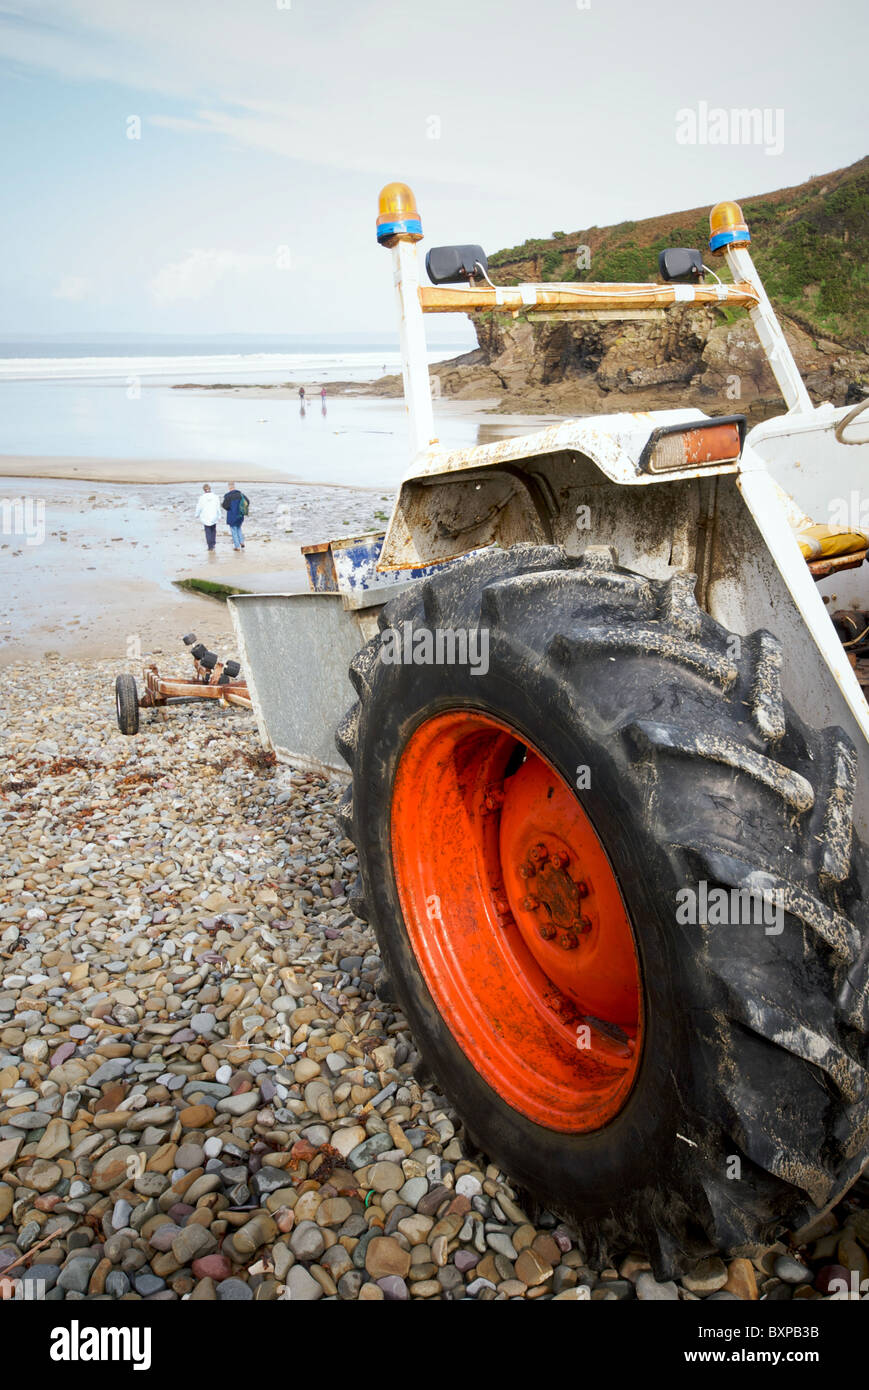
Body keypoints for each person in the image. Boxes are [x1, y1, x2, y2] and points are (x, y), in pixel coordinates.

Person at [221, 481, 250, 551]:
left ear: (229, 487)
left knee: (234, 530)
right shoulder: (240, 494)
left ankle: (237, 546)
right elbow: (248, 502)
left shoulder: (228, 496)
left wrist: (228, 508)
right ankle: (242, 542)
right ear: (234, 487)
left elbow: (225, 506)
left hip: (232, 515)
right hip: (240, 515)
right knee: (239, 528)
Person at [194, 482, 221, 551]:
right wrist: (219, 515)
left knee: (208, 531)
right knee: (213, 530)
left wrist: (196, 514)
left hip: (205, 516)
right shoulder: (215, 496)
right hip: (214, 515)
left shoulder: (202, 498)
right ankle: (213, 543)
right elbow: (218, 507)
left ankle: (210, 545)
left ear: (204, 490)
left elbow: (199, 507)